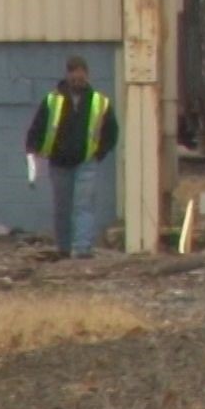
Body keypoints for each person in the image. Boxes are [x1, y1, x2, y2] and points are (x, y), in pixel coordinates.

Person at [25, 56, 119, 259]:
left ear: (87, 74)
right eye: (73, 72)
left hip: (86, 162)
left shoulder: (99, 102)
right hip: (58, 163)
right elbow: (38, 127)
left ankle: (83, 248)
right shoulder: (52, 100)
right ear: (67, 74)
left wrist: (99, 153)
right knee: (62, 207)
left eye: (80, 72)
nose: (77, 76)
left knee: (83, 206)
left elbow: (112, 132)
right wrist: (32, 148)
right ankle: (64, 249)